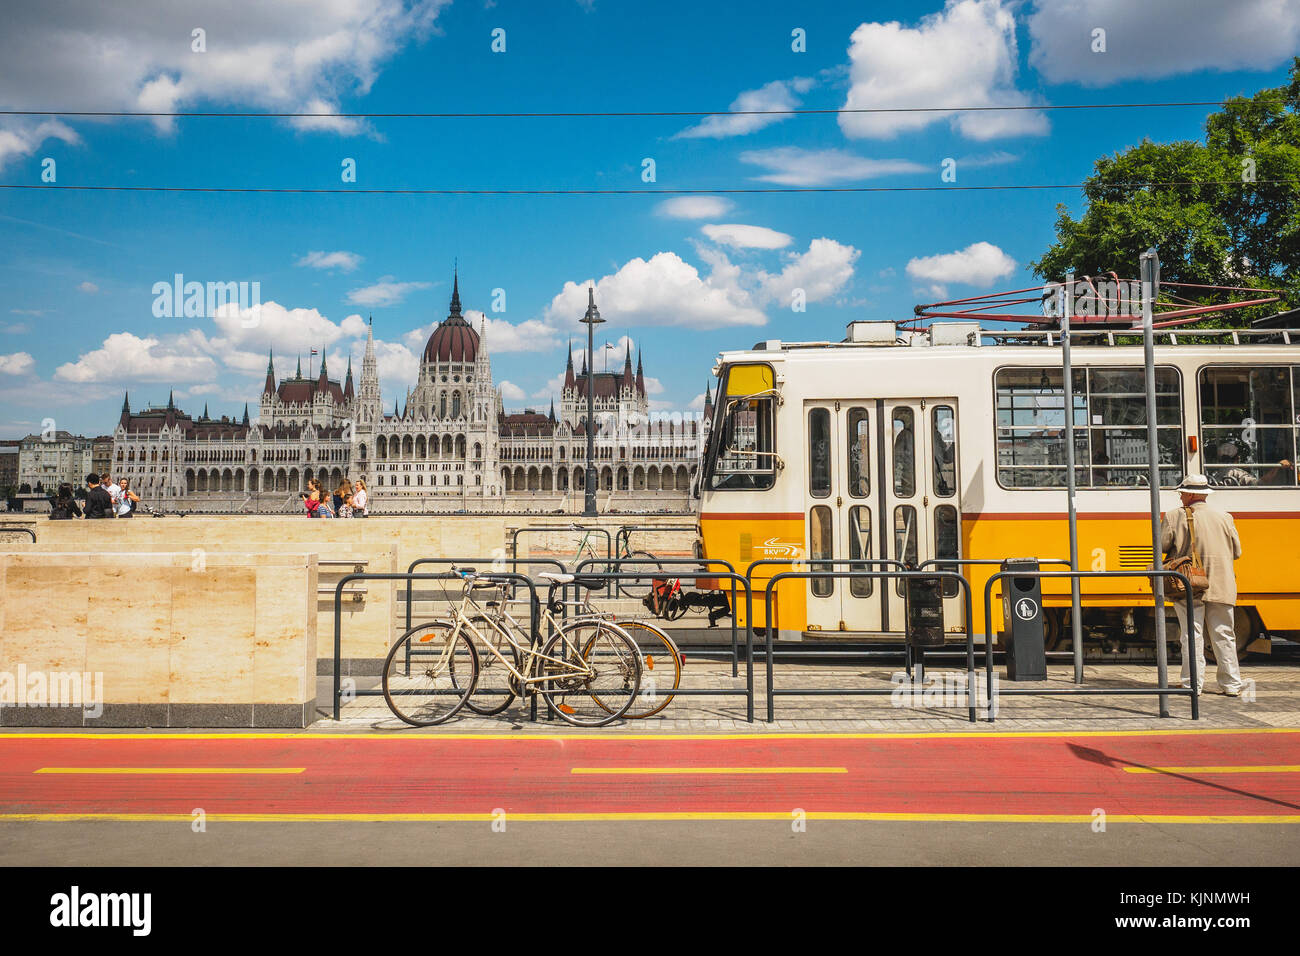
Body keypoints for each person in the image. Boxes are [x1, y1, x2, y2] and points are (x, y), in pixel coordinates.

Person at [1160, 474, 1244, 696]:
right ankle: (1231, 685)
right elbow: (1237, 552)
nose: (1180, 497)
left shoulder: (1173, 516)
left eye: (1182, 493)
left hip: (1189, 584)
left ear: (1190, 494)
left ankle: (1192, 684)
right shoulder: (1225, 517)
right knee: (1224, 634)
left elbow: (1162, 544)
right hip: (1222, 583)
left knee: (1191, 634)